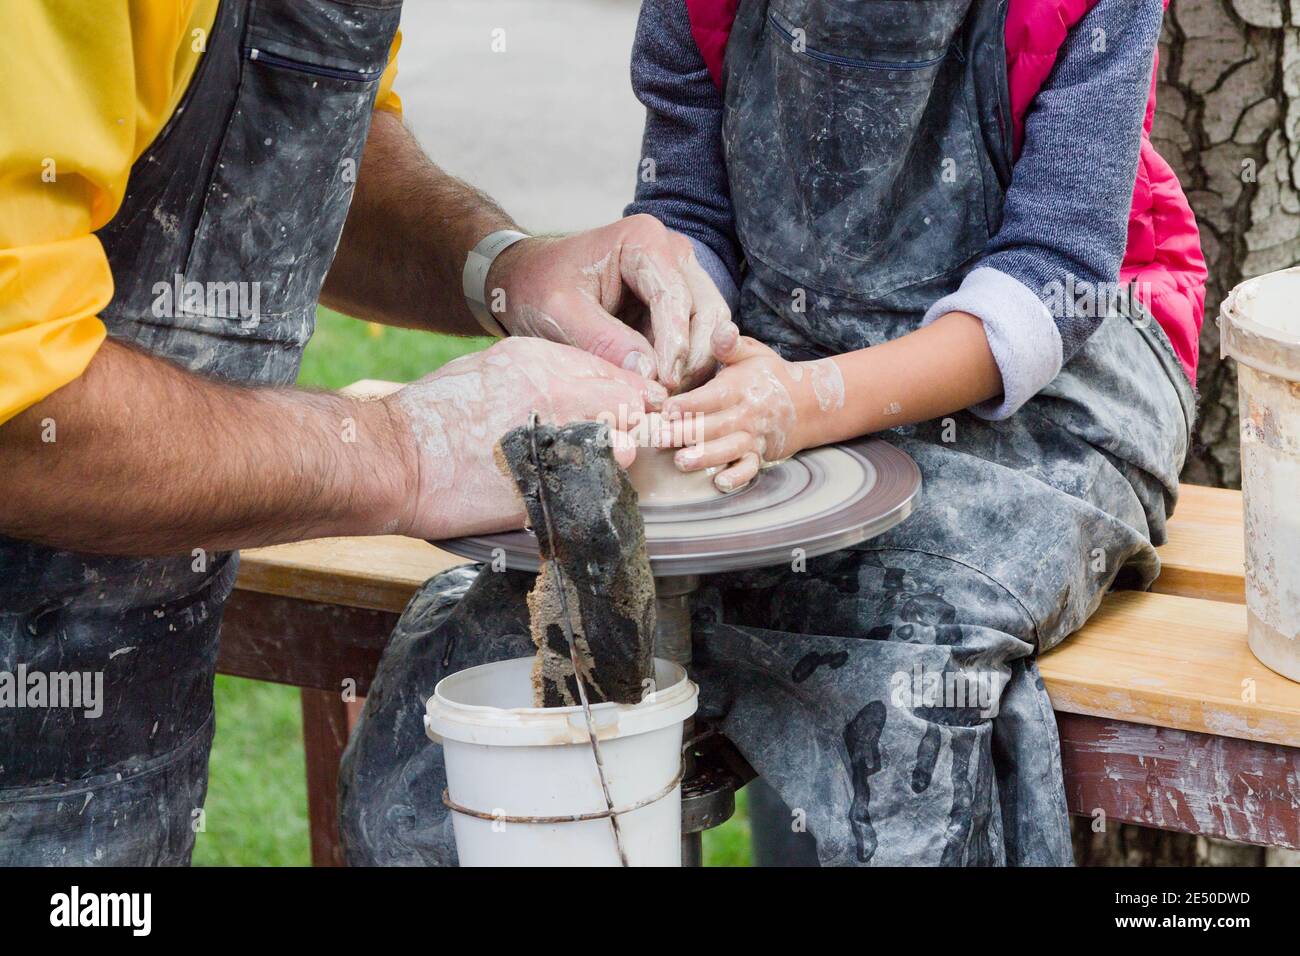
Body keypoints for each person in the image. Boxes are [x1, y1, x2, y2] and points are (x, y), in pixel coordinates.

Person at [341, 0, 1206, 865]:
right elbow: (692, 209)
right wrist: (676, 333)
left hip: (1043, 378)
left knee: (902, 664)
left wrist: (810, 403)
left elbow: (1056, 275)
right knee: (522, 637)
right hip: (775, 350)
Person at [0, 0, 729, 865]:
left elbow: (300, 159)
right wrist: (403, 450)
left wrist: (500, 268)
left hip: (121, 692)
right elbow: (20, 410)